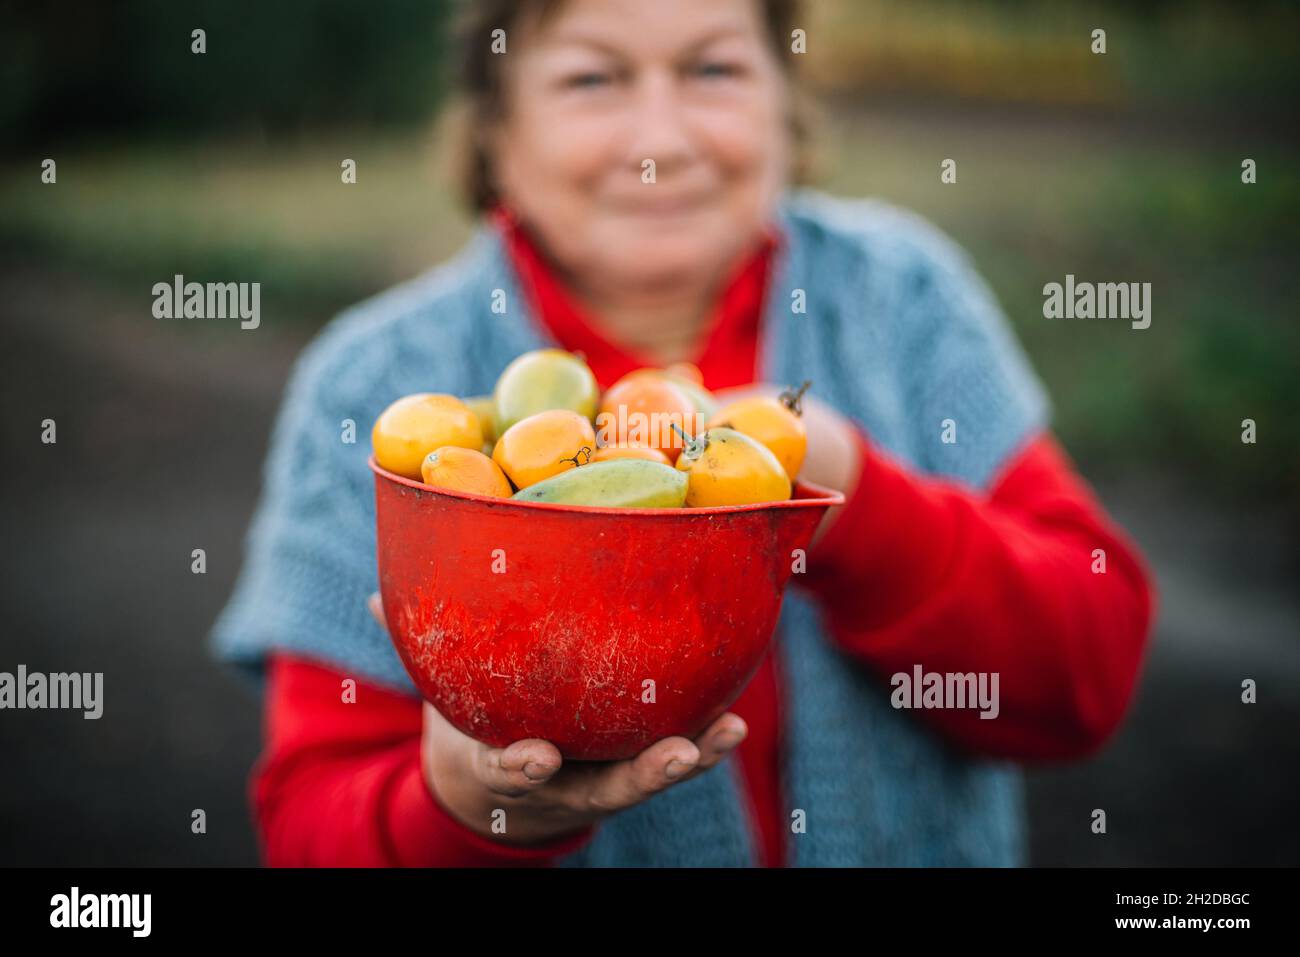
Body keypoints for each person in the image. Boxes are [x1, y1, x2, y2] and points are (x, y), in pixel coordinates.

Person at [211, 0, 1155, 867]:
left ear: (785, 102)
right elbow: (310, 825)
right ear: (495, 127)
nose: (660, 140)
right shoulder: (370, 384)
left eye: (714, 71)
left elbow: (1090, 670)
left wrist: (851, 500)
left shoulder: (903, 299)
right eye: (592, 79)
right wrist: (462, 808)